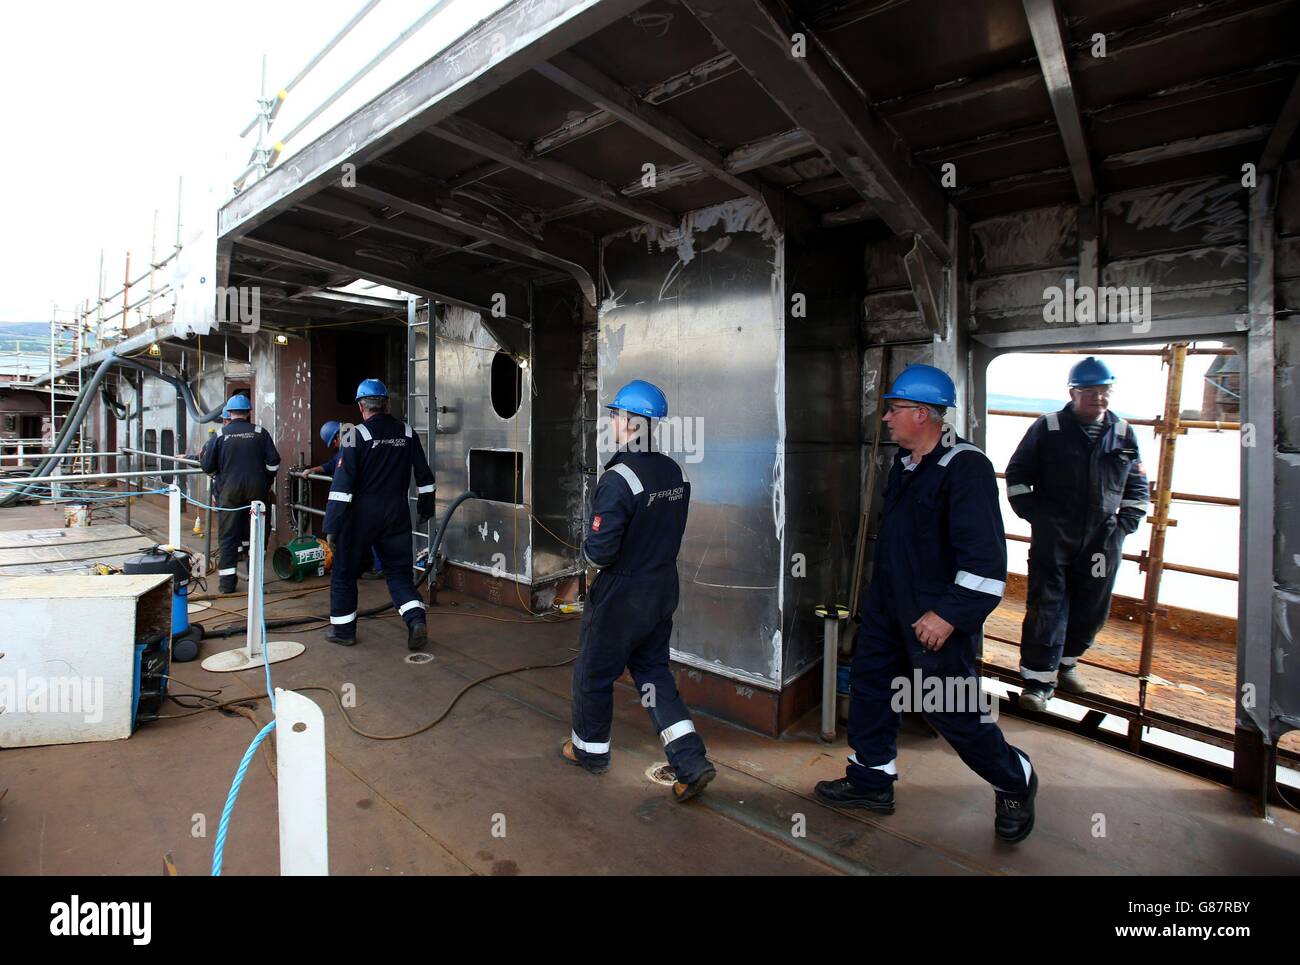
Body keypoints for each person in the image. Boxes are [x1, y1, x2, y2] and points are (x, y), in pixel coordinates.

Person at [815, 364, 1037, 843]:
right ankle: (871, 781)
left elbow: (986, 562)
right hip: (888, 609)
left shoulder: (965, 467)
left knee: (949, 709)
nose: (888, 418)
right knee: (872, 687)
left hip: (935, 618)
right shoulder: (907, 464)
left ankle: (1014, 779)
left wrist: (949, 615)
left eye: (894, 409)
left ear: (922, 413)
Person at [561, 379, 715, 803]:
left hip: (622, 594)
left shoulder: (618, 478)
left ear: (632, 422)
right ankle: (690, 761)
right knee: (652, 674)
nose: (611, 420)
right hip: (662, 588)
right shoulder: (674, 471)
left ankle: (589, 752)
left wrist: (588, 555)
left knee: (593, 672)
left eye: (615, 414)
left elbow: (601, 550)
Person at [1004, 356, 1150, 710]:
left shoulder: (1124, 433)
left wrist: (1123, 528)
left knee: (1092, 606)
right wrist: (1036, 517)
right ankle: (1037, 682)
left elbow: (1138, 487)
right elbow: (1017, 475)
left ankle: (1067, 664)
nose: (1097, 397)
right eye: (1088, 391)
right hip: (1054, 537)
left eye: (1103, 390)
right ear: (1072, 392)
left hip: (1102, 542)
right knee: (1047, 605)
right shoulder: (1048, 428)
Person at [322, 379, 436, 650]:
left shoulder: (352, 433)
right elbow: (425, 476)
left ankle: (343, 631)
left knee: (344, 572)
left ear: (362, 406)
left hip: (360, 516)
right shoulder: (407, 433)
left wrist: (332, 525)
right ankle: (415, 619)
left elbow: (342, 486)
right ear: (385, 404)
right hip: (396, 513)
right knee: (398, 573)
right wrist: (425, 508)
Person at [200, 394, 280, 594]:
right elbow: (274, 462)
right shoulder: (260, 433)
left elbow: (208, 467)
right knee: (258, 531)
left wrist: (221, 478)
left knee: (228, 536)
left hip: (229, 491)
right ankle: (255, 579)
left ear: (229, 412)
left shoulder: (219, 435)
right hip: (257, 489)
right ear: (248, 412)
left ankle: (227, 584)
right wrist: (266, 480)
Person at [310, 420, 384, 580]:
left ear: (337, 435)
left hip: (367, 498)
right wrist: (314, 470)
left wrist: (331, 526)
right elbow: (333, 464)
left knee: (373, 533)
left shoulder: (355, 443)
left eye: (334, 441)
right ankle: (371, 566)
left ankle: (379, 568)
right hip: (366, 499)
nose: (335, 445)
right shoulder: (349, 444)